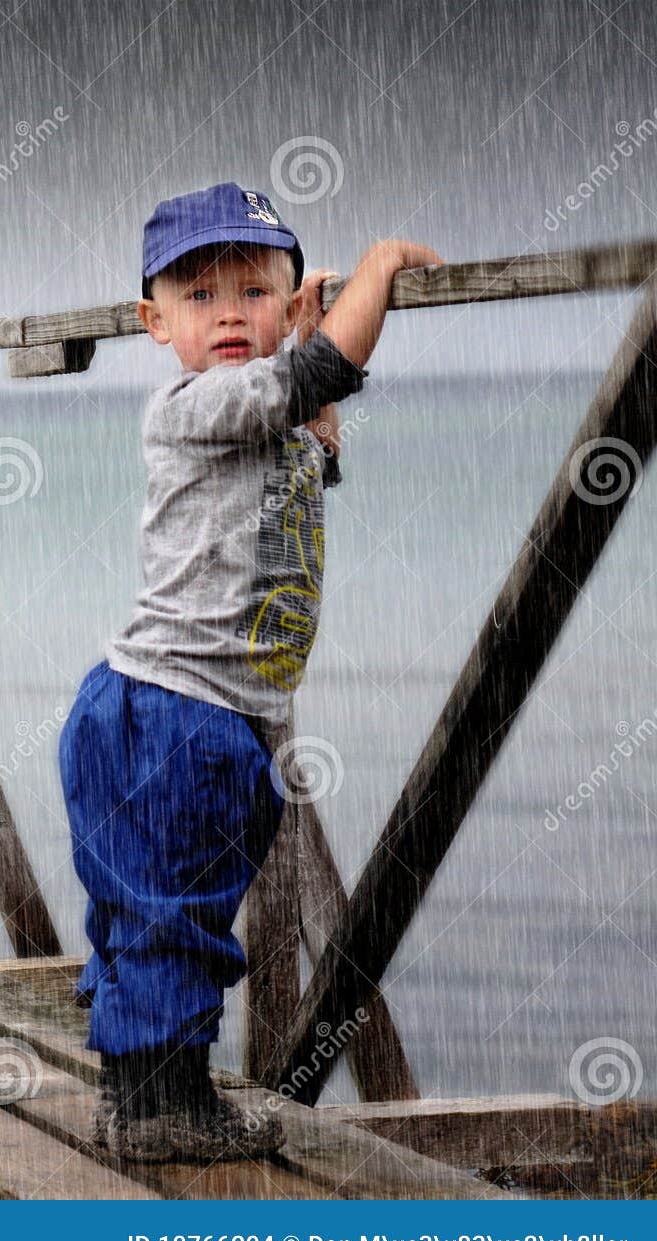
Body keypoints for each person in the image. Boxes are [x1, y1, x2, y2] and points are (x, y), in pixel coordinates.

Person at [57, 181, 442, 1162]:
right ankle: (156, 1109)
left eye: (253, 291)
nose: (228, 312)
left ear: (283, 301)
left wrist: (309, 375)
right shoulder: (192, 405)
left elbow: (306, 451)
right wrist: (381, 269)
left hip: (185, 714)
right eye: (198, 296)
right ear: (154, 323)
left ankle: (140, 1094)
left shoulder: (263, 411)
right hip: (172, 714)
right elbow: (320, 373)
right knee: (170, 914)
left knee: (148, 911)